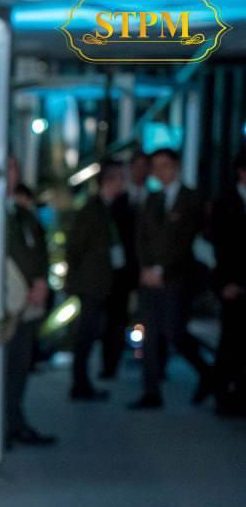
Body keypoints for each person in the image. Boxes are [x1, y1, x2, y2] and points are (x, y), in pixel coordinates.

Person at [131, 148, 211, 409]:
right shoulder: (152, 199)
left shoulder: (191, 199)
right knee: (150, 333)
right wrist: (145, 267)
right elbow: (140, 237)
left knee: (174, 330)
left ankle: (208, 372)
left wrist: (161, 269)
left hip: (175, 277)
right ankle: (150, 392)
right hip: (149, 278)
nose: (160, 171)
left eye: (164, 165)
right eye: (156, 166)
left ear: (175, 166)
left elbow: (185, 240)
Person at [65, 160, 128, 400]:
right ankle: (80, 384)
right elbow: (76, 247)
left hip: (98, 281)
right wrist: (74, 279)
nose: (123, 183)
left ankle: (82, 383)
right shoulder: (92, 210)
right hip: (91, 282)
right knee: (86, 334)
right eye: (120, 178)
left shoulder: (105, 207)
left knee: (89, 333)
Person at [5, 176, 56, 445]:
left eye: (12, 167)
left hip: (28, 301)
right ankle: (0, 427)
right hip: (2, 301)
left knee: (19, 364)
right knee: (1, 365)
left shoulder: (25, 214)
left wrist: (40, 281)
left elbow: (40, 251)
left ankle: (14, 421)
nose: (8, 172)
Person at [99, 152, 146, 380]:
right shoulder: (116, 203)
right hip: (119, 273)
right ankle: (110, 364)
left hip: (137, 269)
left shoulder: (149, 197)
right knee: (114, 320)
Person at [209, 150, 246, 416]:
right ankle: (222, 394)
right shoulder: (226, 202)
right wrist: (226, 282)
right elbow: (221, 247)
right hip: (231, 281)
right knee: (230, 340)